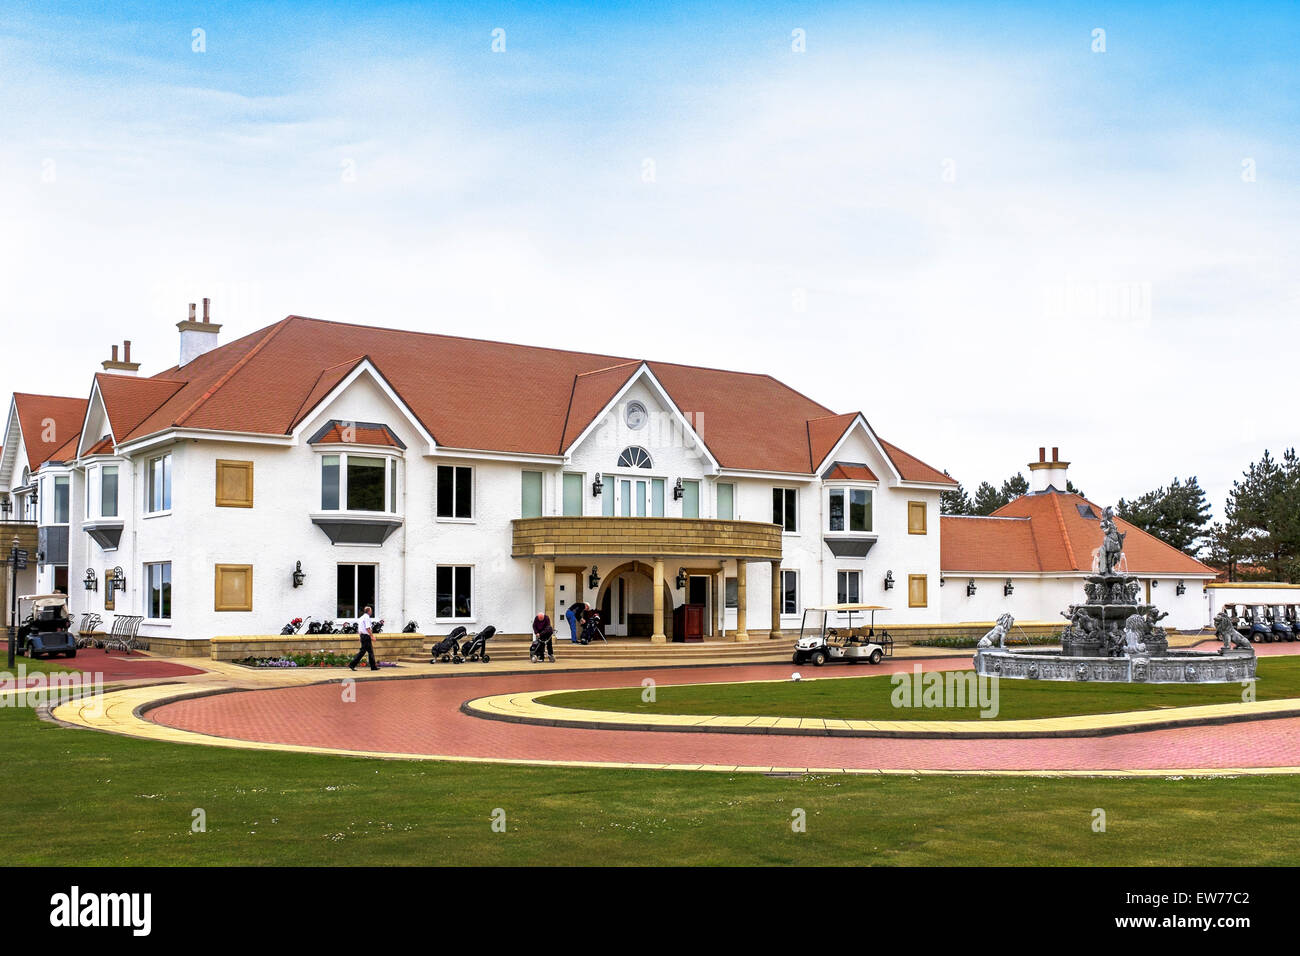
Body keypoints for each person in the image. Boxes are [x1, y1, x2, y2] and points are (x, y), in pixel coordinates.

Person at [348, 605, 379, 671]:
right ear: (369, 611)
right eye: (371, 611)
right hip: (366, 636)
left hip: (363, 636)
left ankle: (373, 667)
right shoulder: (367, 617)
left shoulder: (361, 617)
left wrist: (360, 636)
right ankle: (352, 664)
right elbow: (367, 628)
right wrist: (372, 636)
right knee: (364, 652)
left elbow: (360, 629)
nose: (372, 612)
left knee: (368, 651)